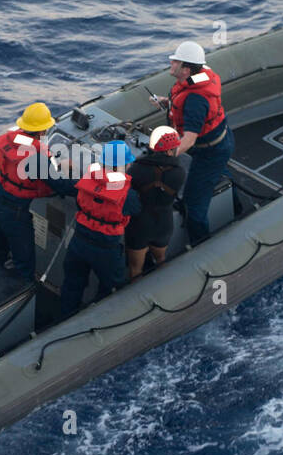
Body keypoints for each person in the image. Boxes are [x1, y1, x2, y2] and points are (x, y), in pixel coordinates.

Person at [151, 41, 234, 245]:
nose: (171, 62)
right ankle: (236, 206)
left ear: (186, 69)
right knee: (222, 174)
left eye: (176, 61)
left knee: (193, 206)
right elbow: (183, 102)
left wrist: (163, 157)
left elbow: (188, 140)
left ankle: (202, 245)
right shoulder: (199, 74)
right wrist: (166, 102)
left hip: (209, 152)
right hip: (218, 139)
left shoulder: (196, 100)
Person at [59, 140, 142, 317]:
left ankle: (63, 318)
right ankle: (100, 319)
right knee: (112, 287)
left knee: (72, 284)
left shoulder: (85, 180)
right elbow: (136, 209)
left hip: (78, 242)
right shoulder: (128, 194)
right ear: (124, 165)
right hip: (106, 248)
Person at [0, 102, 63, 280]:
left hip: (0, 204)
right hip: (17, 214)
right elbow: (59, 185)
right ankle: (22, 301)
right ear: (42, 131)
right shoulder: (37, 156)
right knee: (24, 262)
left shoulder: (15, 140)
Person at [124, 126, 186, 279]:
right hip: (163, 224)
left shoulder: (136, 169)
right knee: (161, 260)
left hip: (139, 226)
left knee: (135, 269)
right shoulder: (179, 173)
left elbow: (127, 190)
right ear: (170, 151)